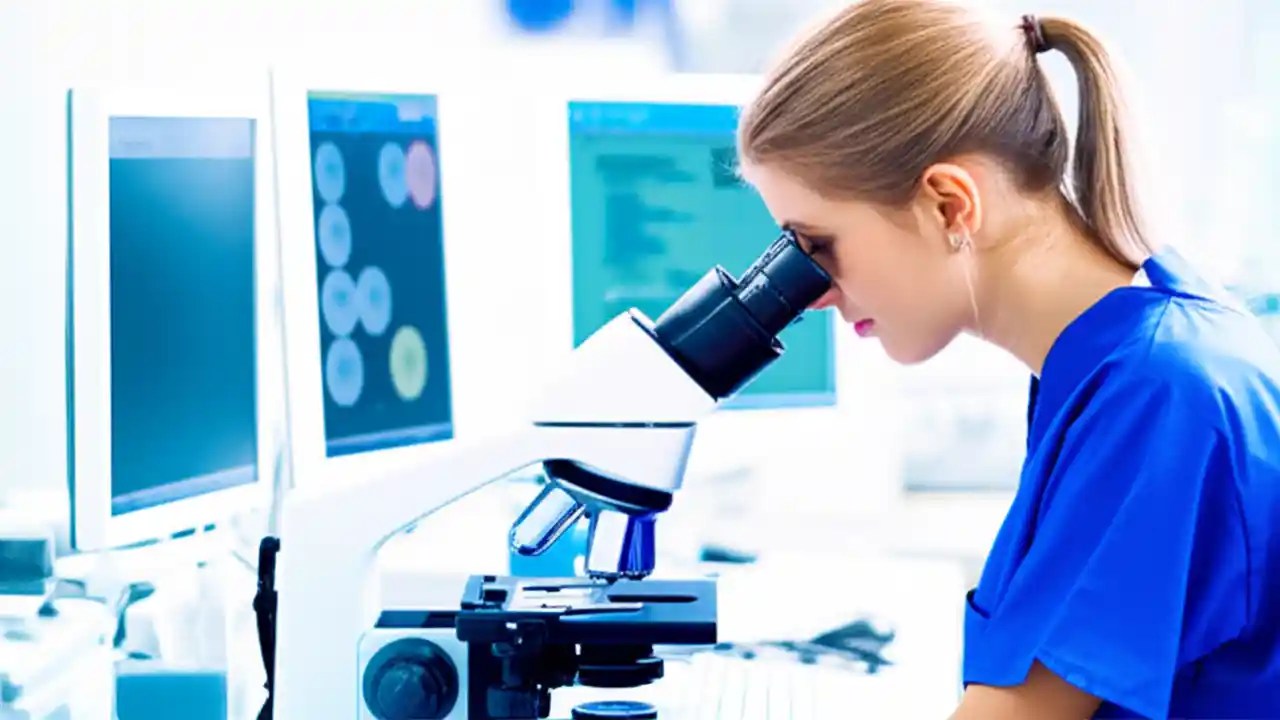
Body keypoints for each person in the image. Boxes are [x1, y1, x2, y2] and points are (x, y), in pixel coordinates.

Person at [735, 1, 1280, 718]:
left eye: (817, 248)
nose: (810, 296)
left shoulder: (1158, 394)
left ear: (949, 205)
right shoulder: (1126, 356)